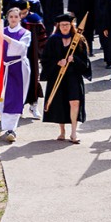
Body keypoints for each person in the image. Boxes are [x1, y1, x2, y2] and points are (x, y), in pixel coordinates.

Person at [41, 13, 90, 143]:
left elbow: (85, 62)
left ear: (71, 25)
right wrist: (57, 62)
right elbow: (45, 59)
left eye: (67, 25)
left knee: (75, 102)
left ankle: (74, 132)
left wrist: (75, 59)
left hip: (73, 76)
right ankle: (62, 131)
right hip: (57, 76)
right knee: (60, 103)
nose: (65, 27)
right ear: (58, 26)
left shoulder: (78, 39)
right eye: (62, 25)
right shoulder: (53, 40)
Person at [0, 6, 34, 142]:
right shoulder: (1, 31)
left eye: (16, 17)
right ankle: (5, 123)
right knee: (3, 95)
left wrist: (6, 38)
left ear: (20, 18)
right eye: (11, 17)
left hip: (18, 66)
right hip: (3, 66)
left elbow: (21, 48)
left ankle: (11, 128)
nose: (13, 19)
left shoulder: (25, 33)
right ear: (7, 18)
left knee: (15, 95)